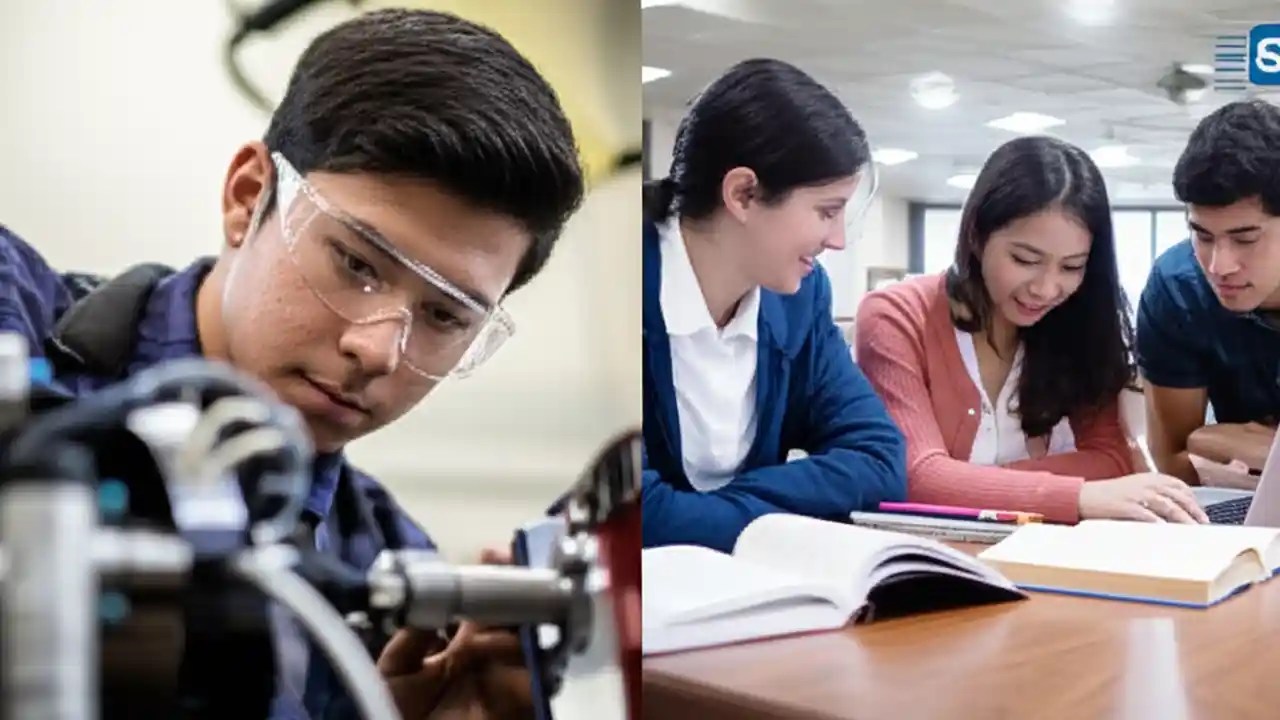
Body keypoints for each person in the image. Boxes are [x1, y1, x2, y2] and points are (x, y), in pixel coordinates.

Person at [0, 9, 583, 719]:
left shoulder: (390, 571)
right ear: (249, 197)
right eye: (357, 264)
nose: (375, 351)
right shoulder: (18, 321)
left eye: (444, 316)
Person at [856, 136, 1207, 525]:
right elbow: (917, 478)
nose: (1046, 288)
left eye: (1072, 267)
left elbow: (1110, 461)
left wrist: (965, 485)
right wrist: (1075, 496)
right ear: (976, 234)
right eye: (1025, 259)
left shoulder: (1079, 319)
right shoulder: (896, 317)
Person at [641, 58, 907, 554]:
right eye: (826, 211)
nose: (838, 239)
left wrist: (699, 515)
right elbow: (634, 515)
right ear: (743, 194)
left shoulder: (801, 300)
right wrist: (769, 518)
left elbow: (880, 461)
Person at [1137, 99, 1280, 487]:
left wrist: (1245, 451)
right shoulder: (1177, 288)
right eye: (1202, 235)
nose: (1219, 265)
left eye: (1245, 238)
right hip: (1234, 510)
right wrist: (1208, 444)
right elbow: (1175, 461)